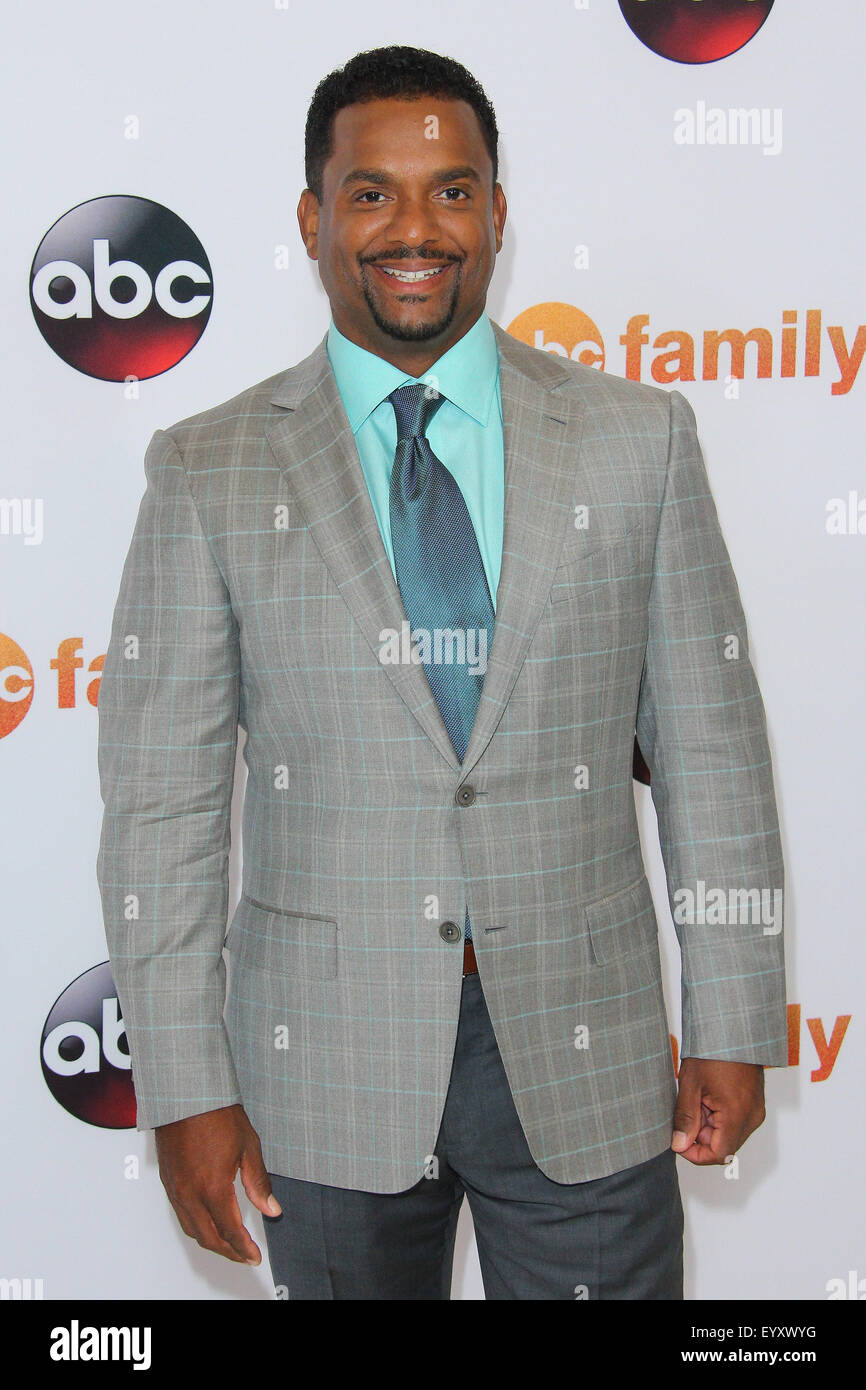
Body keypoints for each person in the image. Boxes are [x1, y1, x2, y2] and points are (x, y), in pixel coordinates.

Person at [96, 45, 786, 1300]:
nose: (414, 229)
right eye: (371, 194)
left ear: (498, 212)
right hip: (326, 1065)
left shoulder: (640, 442)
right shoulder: (208, 471)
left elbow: (712, 756)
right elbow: (162, 812)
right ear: (312, 219)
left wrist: (735, 1018)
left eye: (451, 191)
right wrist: (187, 1086)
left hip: (584, 1050)